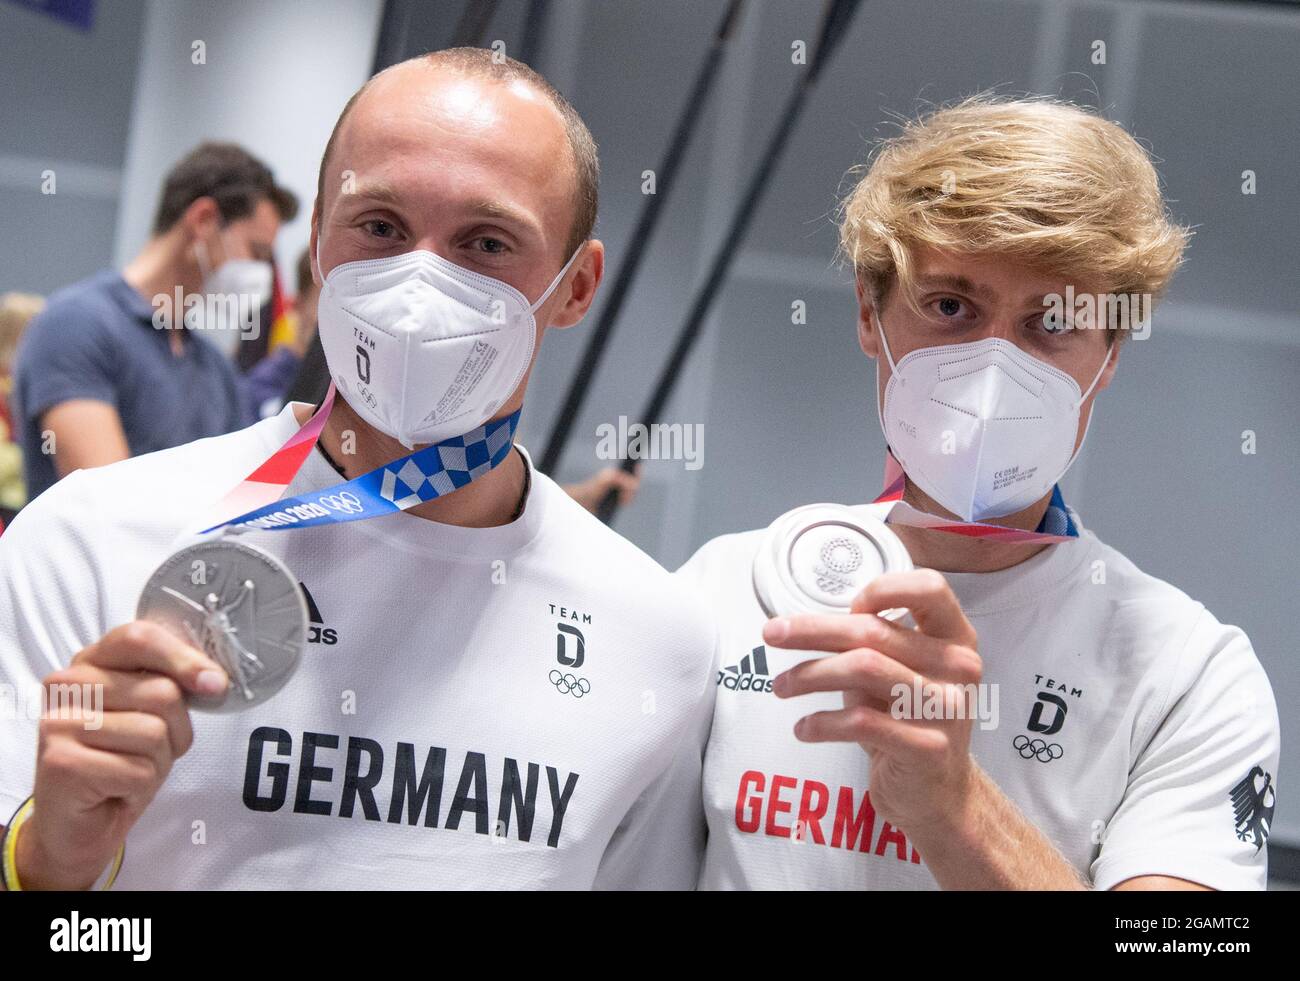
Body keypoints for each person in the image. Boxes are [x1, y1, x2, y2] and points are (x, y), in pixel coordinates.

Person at [0, 48, 714, 890]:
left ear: (576, 286)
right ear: (317, 245)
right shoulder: (94, 541)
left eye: (486, 242)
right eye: (379, 226)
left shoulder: (657, 638)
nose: (419, 284)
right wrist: (51, 862)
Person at [678, 96, 1279, 890]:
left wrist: (955, 807)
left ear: (1109, 354)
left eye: (1052, 320)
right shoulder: (722, 596)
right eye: (951, 306)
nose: (993, 370)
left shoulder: (1187, 675)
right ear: (870, 310)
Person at [11, 142, 298, 500]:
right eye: (256, 252)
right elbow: (106, 503)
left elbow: (244, 497)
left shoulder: (215, 369)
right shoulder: (76, 323)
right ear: (204, 220)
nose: (261, 274)